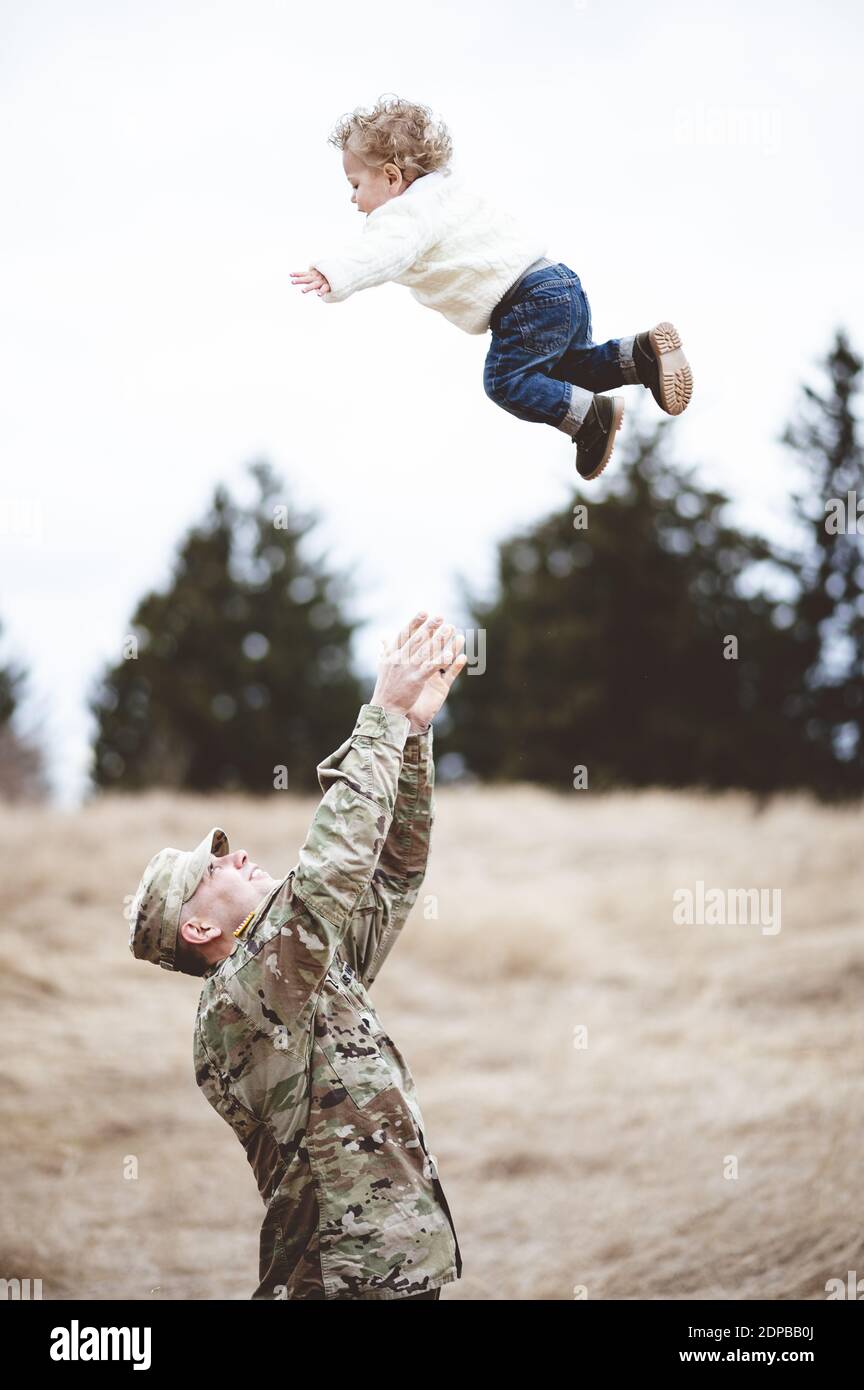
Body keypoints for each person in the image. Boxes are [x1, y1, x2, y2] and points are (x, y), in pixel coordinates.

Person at [127, 612, 467, 1300]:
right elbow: (330, 872)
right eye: (215, 867)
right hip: (338, 1277)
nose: (239, 855)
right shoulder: (239, 996)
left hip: (389, 1266)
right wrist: (381, 713)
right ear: (195, 929)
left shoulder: (302, 970)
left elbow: (392, 877)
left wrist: (411, 736)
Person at [290, 93, 693, 483]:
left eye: (356, 184)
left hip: (523, 303)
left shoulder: (406, 215)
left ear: (393, 177)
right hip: (558, 284)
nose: (353, 198)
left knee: (506, 382)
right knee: (567, 372)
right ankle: (639, 355)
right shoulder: (448, 192)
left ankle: (590, 418)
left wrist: (334, 273)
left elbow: (382, 252)